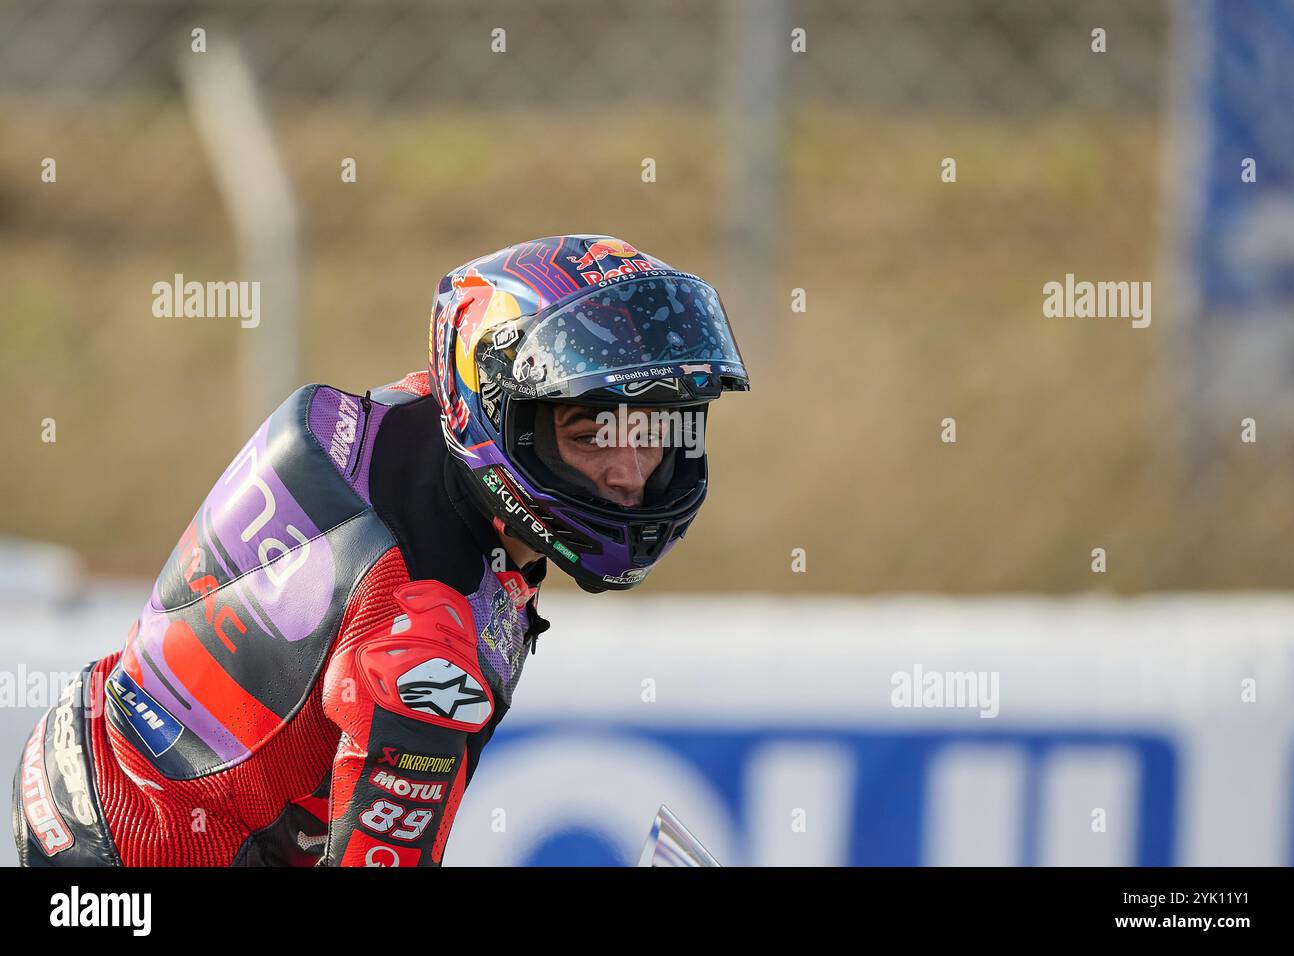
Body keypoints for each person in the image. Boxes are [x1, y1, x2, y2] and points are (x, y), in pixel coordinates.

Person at [11, 234, 749, 866]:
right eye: (590, 435)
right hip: (140, 846)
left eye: (653, 430)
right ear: (507, 421)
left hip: (102, 759)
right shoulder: (427, 642)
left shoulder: (413, 424)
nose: (629, 474)